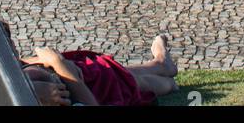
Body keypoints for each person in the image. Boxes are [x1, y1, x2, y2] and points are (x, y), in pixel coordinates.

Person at [21, 34, 179, 106]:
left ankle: (161, 65)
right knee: (133, 81)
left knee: (120, 74)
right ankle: (163, 68)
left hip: (83, 76)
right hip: (88, 90)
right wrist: (58, 63)